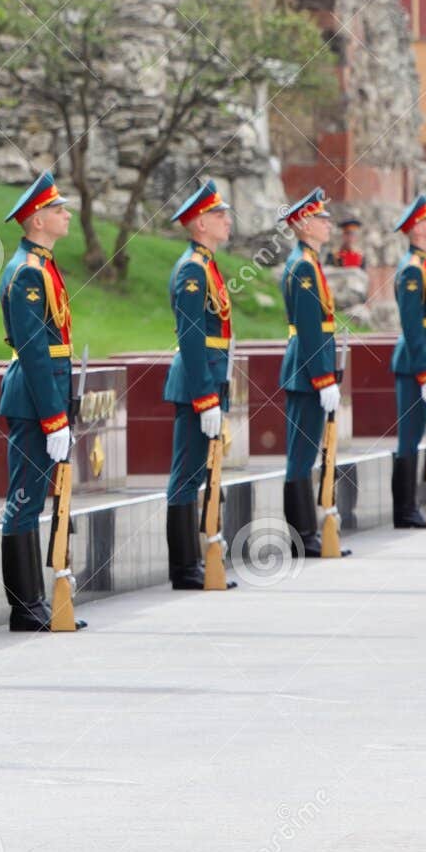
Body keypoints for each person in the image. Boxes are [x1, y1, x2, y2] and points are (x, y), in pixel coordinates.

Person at [0, 170, 85, 630]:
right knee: (25, 500)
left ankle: (34, 602)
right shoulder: (28, 273)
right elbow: (32, 349)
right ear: (35, 220)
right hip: (34, 399)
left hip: (45, 395)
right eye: (57, 209)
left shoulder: (42, 266)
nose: (67, 214)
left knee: (34, 498)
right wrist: (53, 417)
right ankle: (25, 605)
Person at [164, 180, 236, 590]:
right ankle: (184, 567)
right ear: (201, 223)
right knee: (186, 475)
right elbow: (191, 335)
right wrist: (206, 397)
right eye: (220, 215)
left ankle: (193, 563)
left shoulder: (205, 264)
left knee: (197, 473)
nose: (228, 221)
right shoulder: (193, 268)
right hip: (197, 383)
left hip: (208, 380)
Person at [277, 187, 348, 557]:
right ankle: (301, 535)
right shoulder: (303, 265)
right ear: (304, 224)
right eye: (321, 218)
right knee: (301, 455)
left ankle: (306, 533)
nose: (327, 224)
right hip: (306, 370)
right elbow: (308, 328)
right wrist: (323, 379)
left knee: (304, 452)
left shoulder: (310, 262)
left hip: (309, 368)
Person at [390, 195, 426, 528]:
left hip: (425, 362)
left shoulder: (424, 265)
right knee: (409, 437)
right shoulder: (412, 269)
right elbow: (412, 325)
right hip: (415, 363)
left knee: (418, 435)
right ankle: (405, 510)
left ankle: (411, 506)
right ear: (419, 228)